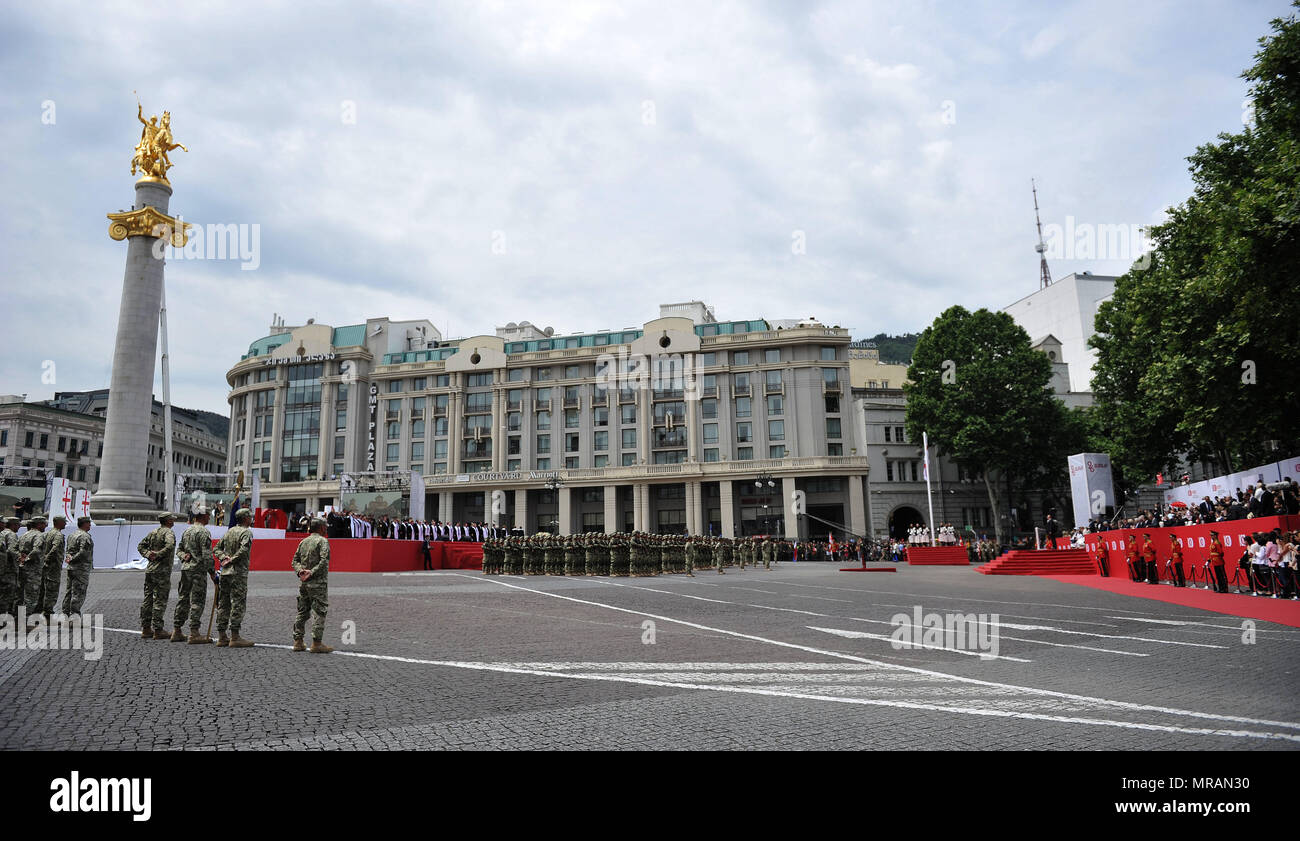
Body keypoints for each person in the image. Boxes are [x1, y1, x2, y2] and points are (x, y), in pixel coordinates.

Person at [291, 518, 333, 653]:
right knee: (320, 611)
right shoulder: (322, 541)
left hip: (304, 583)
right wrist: (311, 572)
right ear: (321, 528)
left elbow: (294, 560)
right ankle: (317, 643)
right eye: (325, 527)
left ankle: (298, 641)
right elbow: (324, 561)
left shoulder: (303, 541)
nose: (326, 529)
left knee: (302, 611)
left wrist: (300, 571)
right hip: (318, 583)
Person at [214, 508, 255, 648]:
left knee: (224, 603)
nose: (251, 518)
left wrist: (223, 558)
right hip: (238, 573)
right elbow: (244, 550)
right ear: (245, 518)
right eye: (250, 516)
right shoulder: (246, 532)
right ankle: (235, 636)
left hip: (225, 573)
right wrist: (232, 559)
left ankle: (221, 636)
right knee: (238, 603)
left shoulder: (229, 531)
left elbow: (216, 549)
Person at [174, 509, 216, 644]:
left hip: (186, 569)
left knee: (183, 599)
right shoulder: (203, 532)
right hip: (198, 570)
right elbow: (207, 555)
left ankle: (177, 630)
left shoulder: (187, 531)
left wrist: (183, 556)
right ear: (203, 516)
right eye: (208, 515)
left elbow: (179, 550)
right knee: (197, 601)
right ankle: (194, 632)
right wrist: (212, 572)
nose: (209, 518)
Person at [137, 513, 176, 640]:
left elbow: (140, 546)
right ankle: (158, 629)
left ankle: (146, 628)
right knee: (160, 599)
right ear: (169, 521)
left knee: (148, 599)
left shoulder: (153, 532)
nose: (173, 521)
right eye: (172, 519)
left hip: (150, 570)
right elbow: (169, 546)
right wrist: (158, 554)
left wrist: (148, 554)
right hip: (162, 571)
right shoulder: (168, 533)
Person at [62, 516, 95, 615]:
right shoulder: (84, 536)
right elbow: (83, 552)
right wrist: (73, 559)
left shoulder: (72, 535)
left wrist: (69, 558)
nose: (90, 525)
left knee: (69, 592)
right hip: (81, 568)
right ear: (84, 524)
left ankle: (65, 614)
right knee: (79, 593)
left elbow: (68, 550)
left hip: (71, 568)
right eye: (88, 523)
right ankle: (74, 616)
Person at [37, 515, 67, 619]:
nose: (65, 524)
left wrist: (43, 559)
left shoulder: (48, 533)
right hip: (53, 567)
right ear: (59, 522)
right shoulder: (58, 535)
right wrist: (47, 558)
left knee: (43, 590)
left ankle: (39, 612)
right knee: (52, 591)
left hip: (46, 567)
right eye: (64, 522)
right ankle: (48, 614)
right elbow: (55, 548)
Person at [0, 517, 21, 618]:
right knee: (7, 595)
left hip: (3, 569)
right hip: (9, 570)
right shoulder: (11, 534)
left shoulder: (2, 533)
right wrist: (20, 559)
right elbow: (12, 551)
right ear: (13, 525)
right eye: (18, 525)